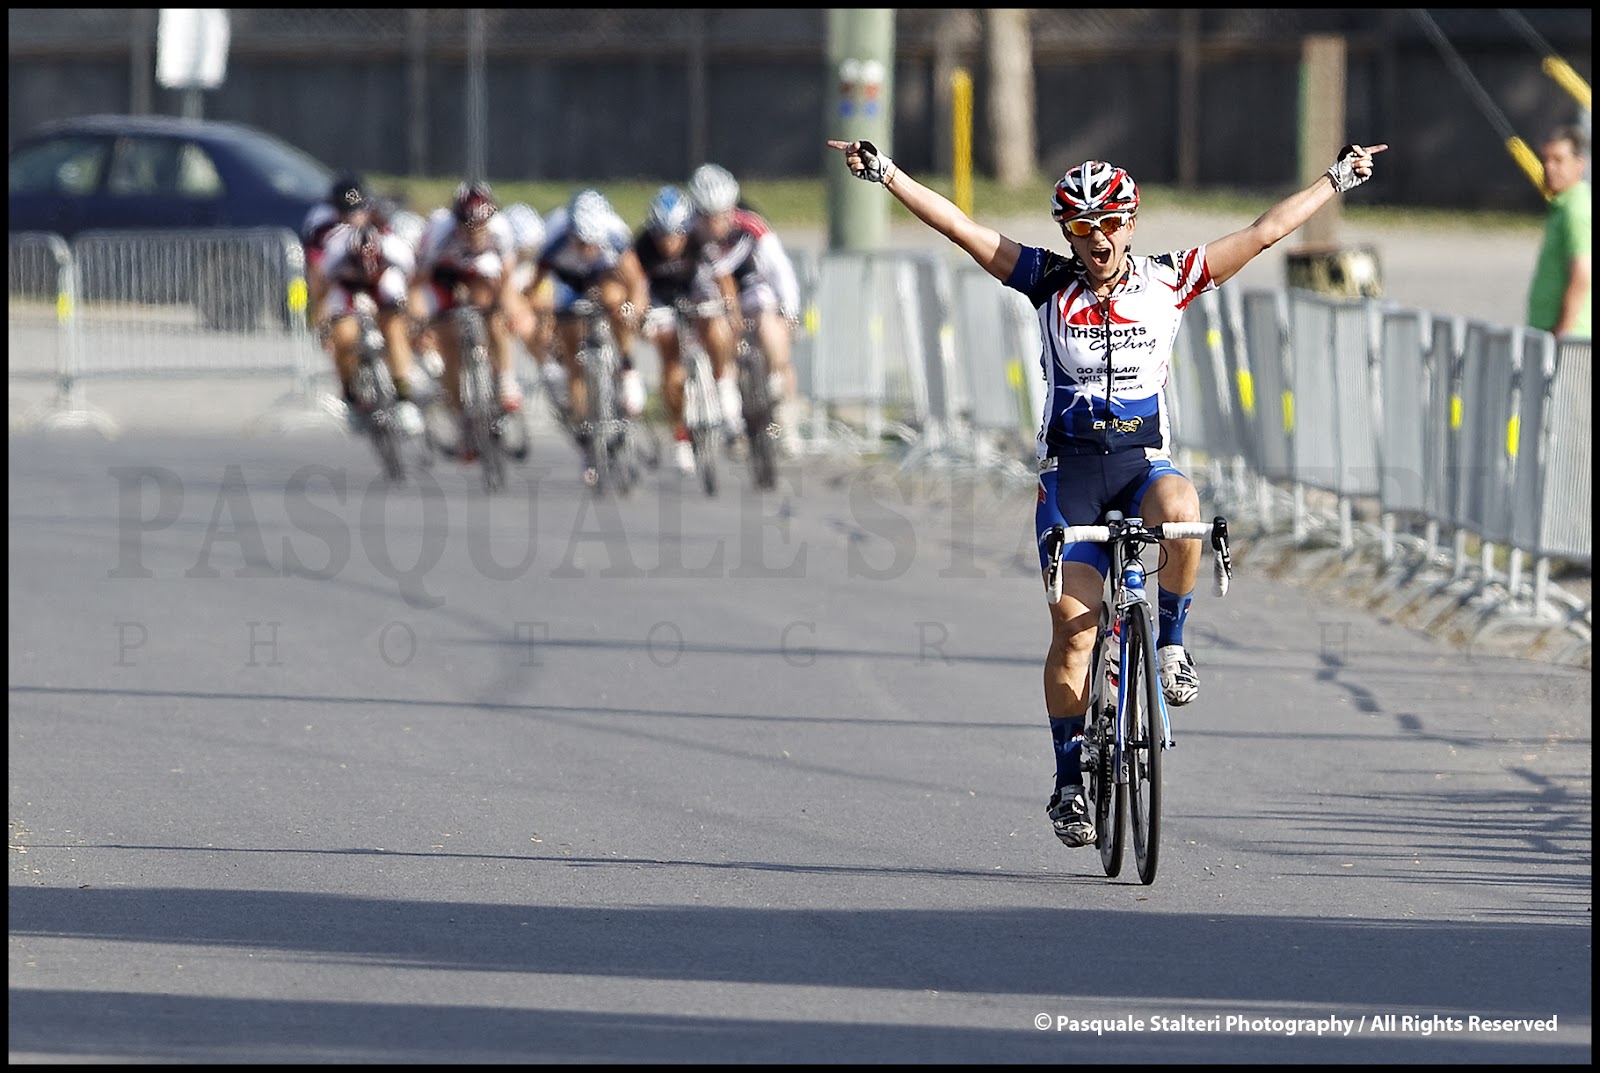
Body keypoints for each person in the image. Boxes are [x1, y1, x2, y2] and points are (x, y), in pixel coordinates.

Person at [827, 135, 1387, 849]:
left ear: (1131, 221)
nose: (1098, 240)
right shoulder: (1046, 281)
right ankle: (1067, 782)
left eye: (1111, 224)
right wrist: (886, 172)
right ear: (1068, 232)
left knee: (1184, 512)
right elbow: (959, 226)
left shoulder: (1169, 278)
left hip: (1141, 465)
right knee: (1075, 633)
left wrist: (1336, 178)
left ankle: (1175, 642)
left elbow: (1263, 232)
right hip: (1072, 476)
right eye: (1082, 228)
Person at [527, 188, 651, 472]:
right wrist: (545, 319)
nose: (587, 251)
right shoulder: (554, 242)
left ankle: (627, 366)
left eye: (592, 244)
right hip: (569, 286)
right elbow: (534, 291)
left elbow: (637, 286)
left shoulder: (616, 238)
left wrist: (631, 313)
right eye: (581, 243)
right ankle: (585, 433)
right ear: (572, 233)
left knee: (616, 301)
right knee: (574, 359)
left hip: (606, 280)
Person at [686, 162, 803, 455]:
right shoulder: (687, 232)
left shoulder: (751, 224)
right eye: (709, 217)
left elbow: (780, 270)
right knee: (718, 335)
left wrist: (790, 311)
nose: (717, 224)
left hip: (752, 285)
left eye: (723, 214)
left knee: (769, 326)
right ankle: (731, 418)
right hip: (713, 291)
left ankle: (782, 409)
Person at [410, 180, 532, 457]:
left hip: (480, 274)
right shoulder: (440, 231)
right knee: (447, 344)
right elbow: (418, 282)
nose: (475, 232)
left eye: (481, 227)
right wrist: (420, 320)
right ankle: (461, 416)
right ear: (457, 221)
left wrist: (507, 309)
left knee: (495, 312)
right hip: (442, 277)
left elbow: (507, 278)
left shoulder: (500, 231)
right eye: (468, 227)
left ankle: (505, 381)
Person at [633, 184, 730, 474]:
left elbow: (722, 277)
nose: (669, 242)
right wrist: (641, 318)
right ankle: (680, 436)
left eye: (676, 234)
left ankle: (722, 381)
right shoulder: (642, 246)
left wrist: (729, 306)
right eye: (662, 235)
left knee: (713, 323)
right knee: (671, 364)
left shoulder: (699, 239)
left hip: (694, 289)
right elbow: (637, 287)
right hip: (660, 298)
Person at [317, 220, 424, 435]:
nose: (366, 270)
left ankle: (403, 397)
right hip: (348, 286)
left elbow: (413, 284)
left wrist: (415, 319)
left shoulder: (395, 251)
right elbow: (323, 289)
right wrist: (323, 325)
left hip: (383, 282)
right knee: (343, 336)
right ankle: (350, 395)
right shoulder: (336, 252)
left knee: (395, 329)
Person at [1526, 124, 1591, 340]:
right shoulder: (1562, 204)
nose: (1549, 167)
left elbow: (1582, 273)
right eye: (1546, 159)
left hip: (1570, 337)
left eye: (1559, 160)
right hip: (1548, 331)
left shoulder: (1577, 208)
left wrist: (1563, 332)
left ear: (1579, 164)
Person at [301, 175, 375, 327]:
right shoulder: (322, 224)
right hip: (333, 275)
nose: (353, 217)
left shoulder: (374, 220)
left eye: (357, 211)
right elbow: (316, 267)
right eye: (348, 212)